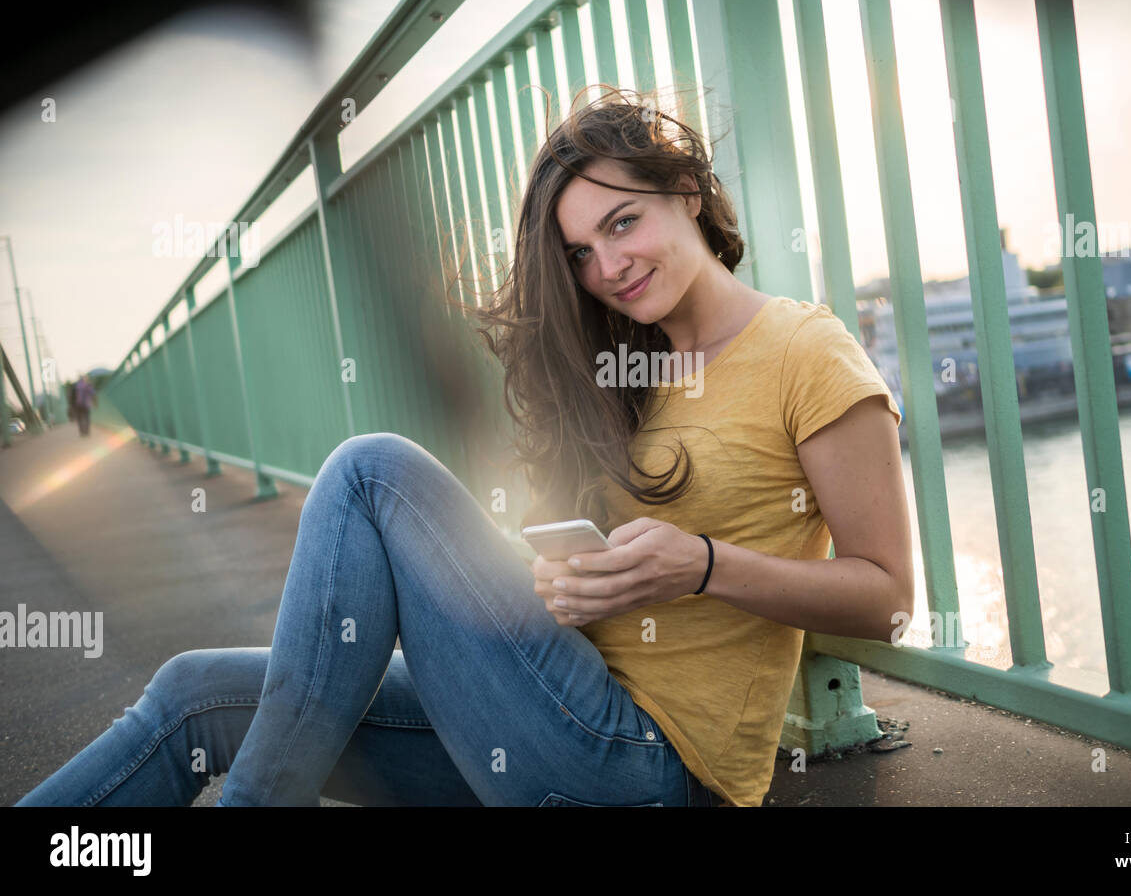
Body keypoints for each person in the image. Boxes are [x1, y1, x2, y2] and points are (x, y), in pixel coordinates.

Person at [14, 86, 912, 807]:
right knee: (190, 698)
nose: (607, 266)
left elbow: (888, 598)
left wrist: (702, 565)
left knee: (373, 474)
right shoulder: (627, 368)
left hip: (649, 768)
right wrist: (562, 581)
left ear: (684, 192)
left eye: (622, 222)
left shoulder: (806, 353)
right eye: (579, 254)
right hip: (541, 714)